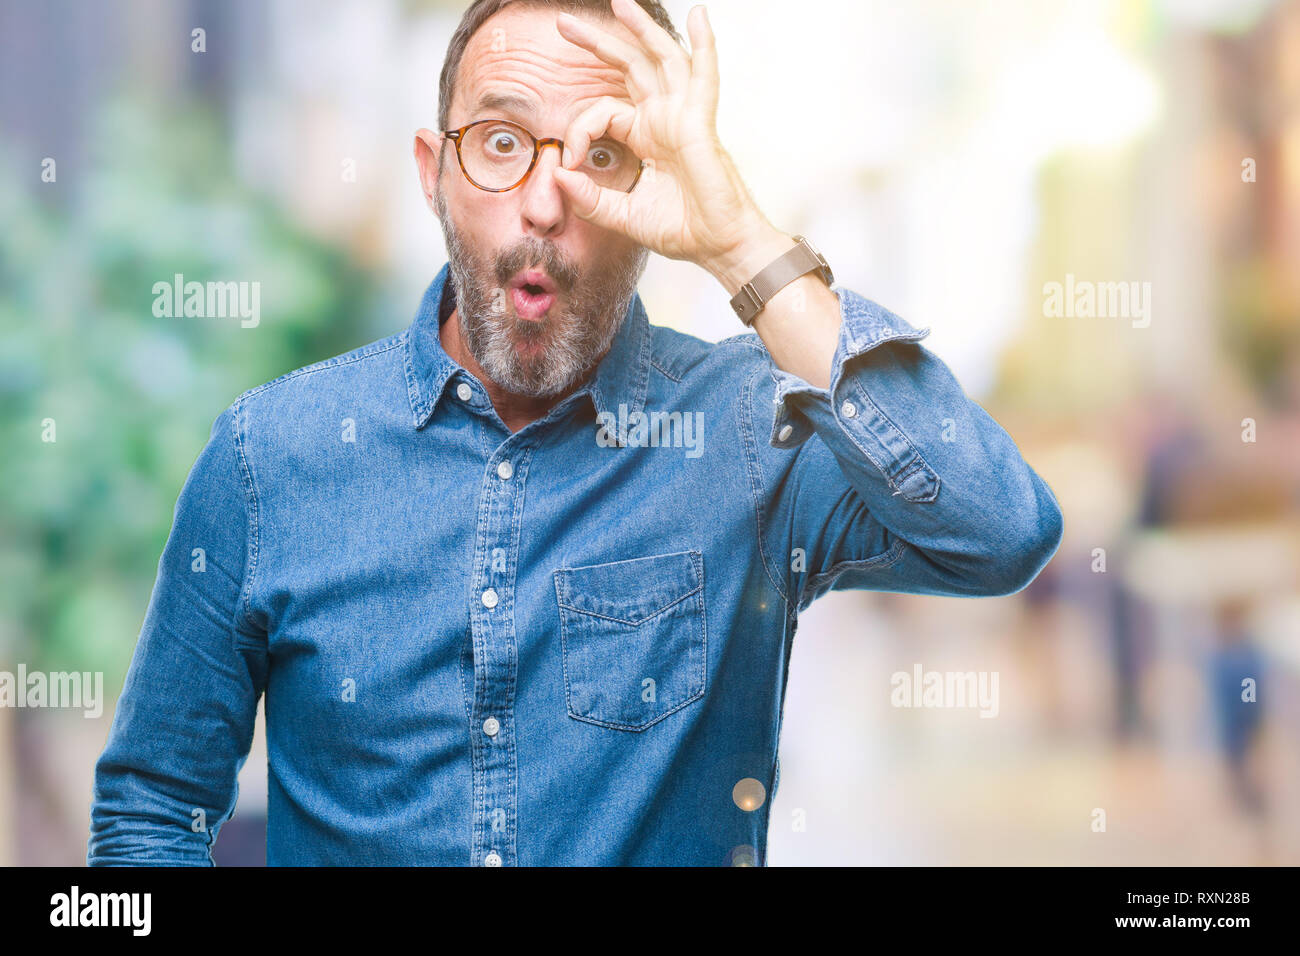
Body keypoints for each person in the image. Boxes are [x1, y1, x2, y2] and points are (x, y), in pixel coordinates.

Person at [88, 0, 1063, 866]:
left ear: (658, 196)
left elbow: (996, 529)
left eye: (602, 155)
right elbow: (152, 803)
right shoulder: (271, 453)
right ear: (435, 173)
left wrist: (739, 241)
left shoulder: (747, 431)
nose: (547, 200)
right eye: (502, 142)